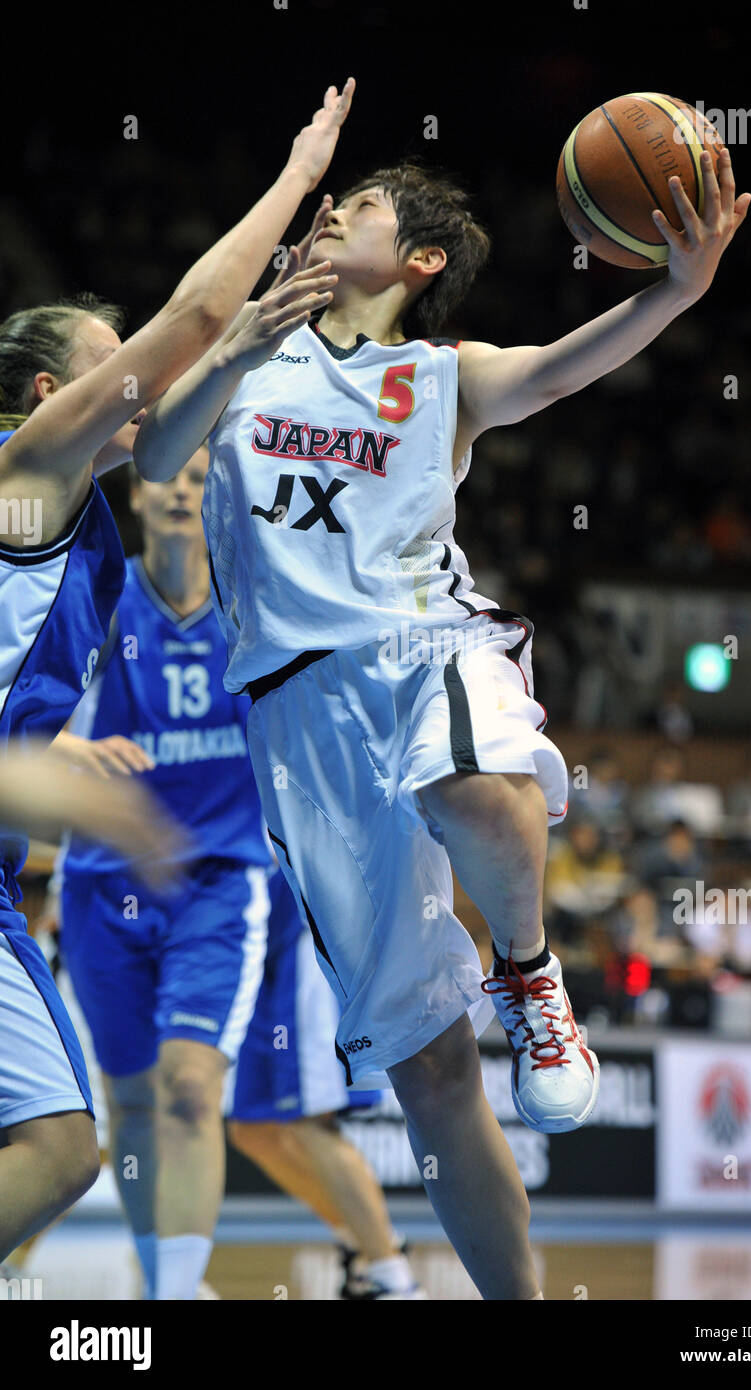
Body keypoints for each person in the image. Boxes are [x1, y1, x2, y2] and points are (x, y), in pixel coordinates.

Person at [134, 138, 750, 1299]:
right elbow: (157, 453)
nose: (328, 217)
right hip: (296, 720)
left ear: (418, 259)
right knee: (430, 1078)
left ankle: (526, 966)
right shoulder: (252, 366)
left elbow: (563, 370)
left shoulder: (439, 375)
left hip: (427, 647)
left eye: (357, 205)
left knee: (468, 776)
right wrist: (234, 345)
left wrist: (674, 286)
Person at [0, 77, 355, 1262]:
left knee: (49, 1148)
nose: (136, 377)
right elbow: (187, 331)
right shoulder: (30, 466)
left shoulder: (88, 502)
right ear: (56, 394)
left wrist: (263, 328)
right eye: (115, 362)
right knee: (57, 1149)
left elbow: (189, 391)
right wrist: (298, 177)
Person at [51, 451, 275, 1300]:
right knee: (132, 1103)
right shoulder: (99, 596)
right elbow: (22, 712)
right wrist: (74, 749)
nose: (181, 490)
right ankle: (158, 1284)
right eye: (164, 476)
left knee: (189, 1088)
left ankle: (178, 1297)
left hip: (217, 884)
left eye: (198, 477)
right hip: (101, 885)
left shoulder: (255, 600)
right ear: (135, 493)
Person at [227, 872, 424, 1300]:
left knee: (311, 1122)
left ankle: (394, 1280)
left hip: (304, 937)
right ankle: (368, 1239)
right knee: (251, 1128)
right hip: (261, 952)